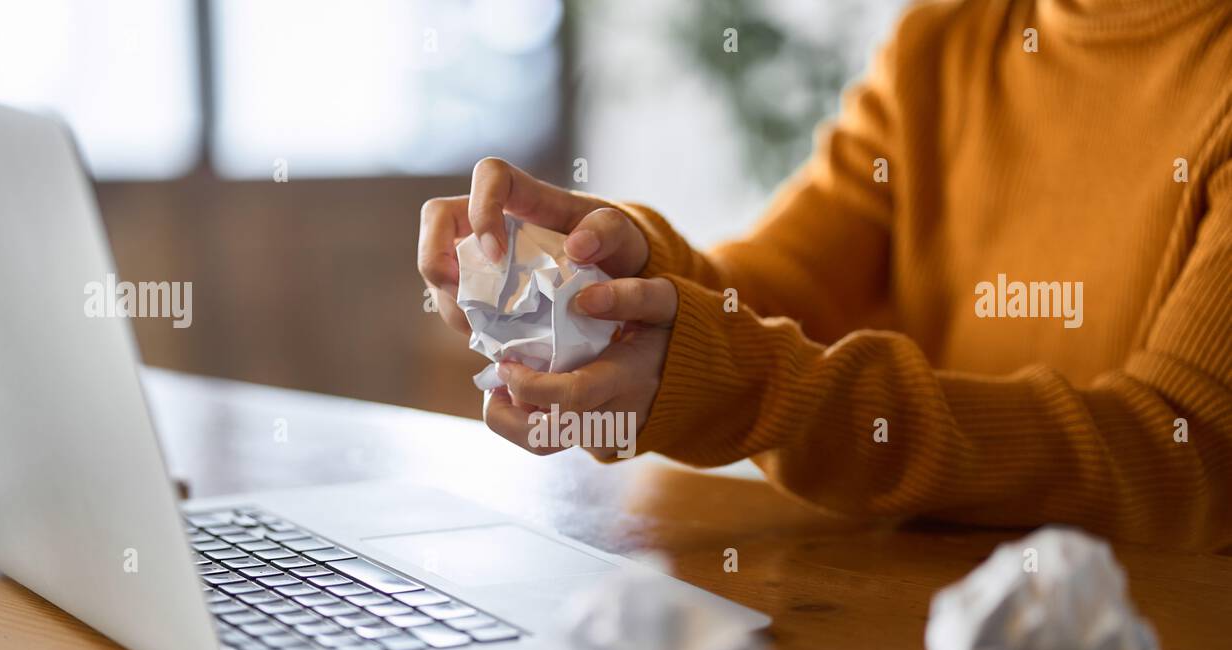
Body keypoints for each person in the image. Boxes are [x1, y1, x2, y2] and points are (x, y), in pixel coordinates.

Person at [418, 0, 1232, 551]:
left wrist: (738, 381)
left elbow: (1182, 453)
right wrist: (622, 270)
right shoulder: (949, 38)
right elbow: (773, 293)